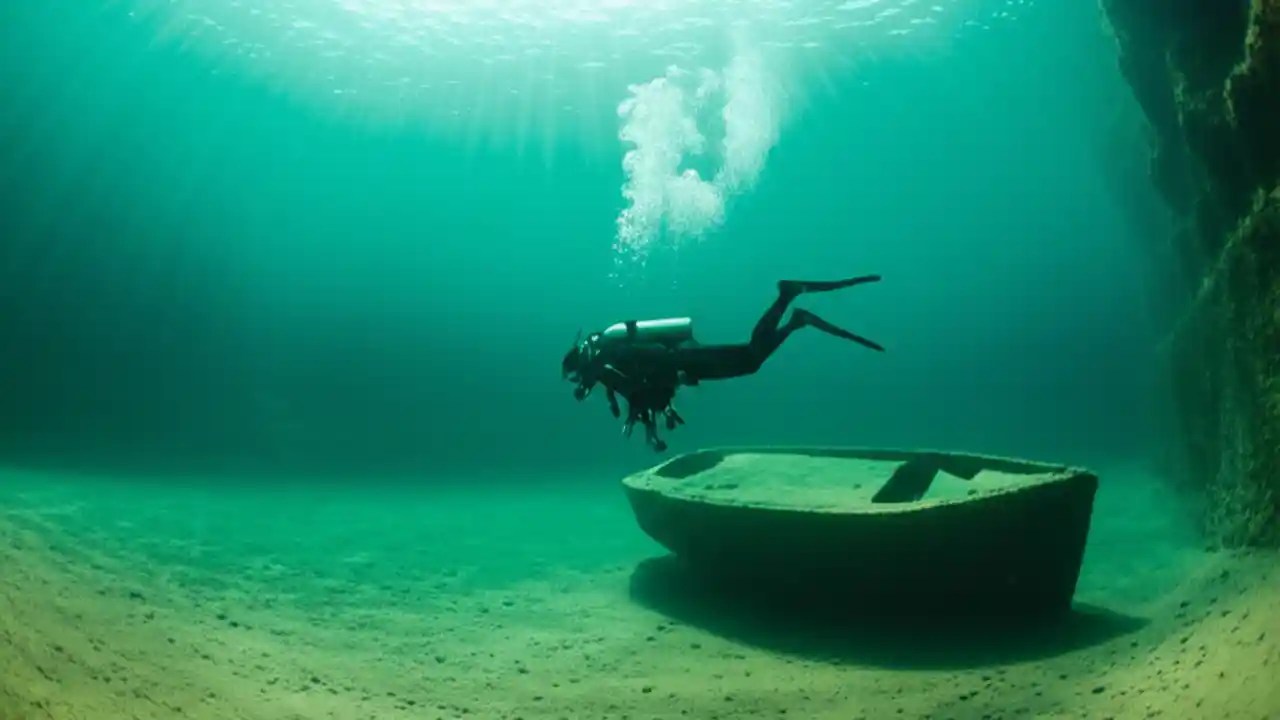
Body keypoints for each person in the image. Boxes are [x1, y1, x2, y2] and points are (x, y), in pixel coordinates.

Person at [562, 275, 885, 451]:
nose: (580, 385)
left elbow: (639, 392)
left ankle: (787, 297)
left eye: (576, 378)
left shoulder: (603, 365)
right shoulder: (606, 363)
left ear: (580, 365)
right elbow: (644, 391)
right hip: (684, 362)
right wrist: (657, 413)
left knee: (748, 357)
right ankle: (795, 319)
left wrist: (650, 420)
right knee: (750, 361)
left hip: (685, 360)